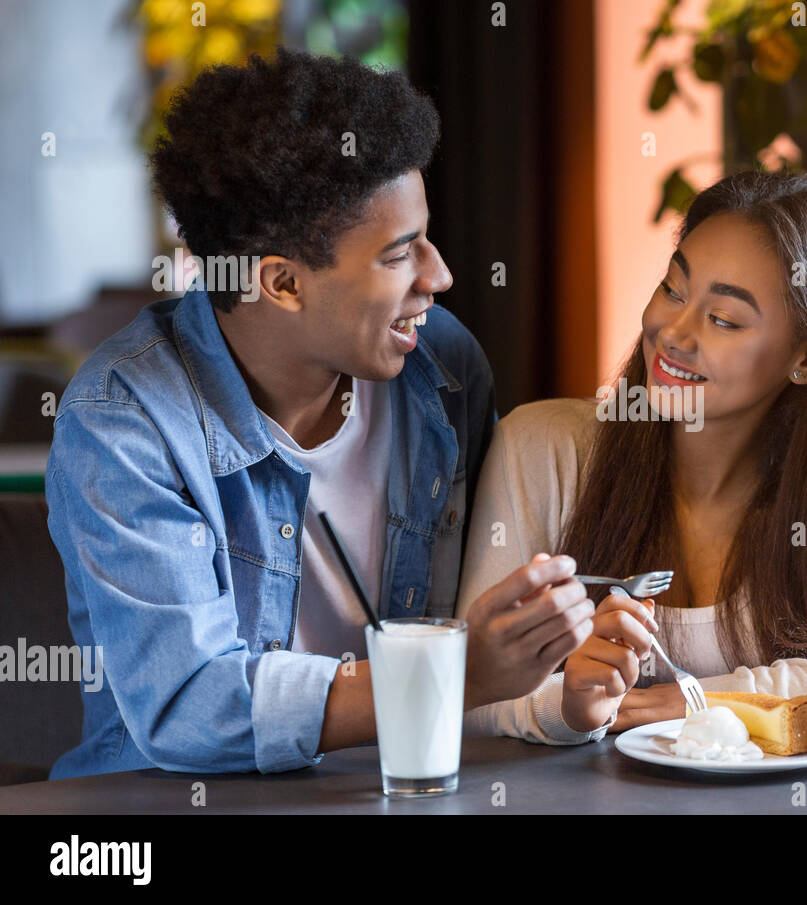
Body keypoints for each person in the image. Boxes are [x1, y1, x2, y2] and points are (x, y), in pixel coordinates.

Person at [45, 48, 596, 779]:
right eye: (400, 255)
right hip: (161, 808)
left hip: (398, 789)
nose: (440, 275)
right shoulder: (122, 422)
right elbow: (189, 703)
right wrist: (455, 671)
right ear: (282, 282)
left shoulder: (443, 369)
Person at [455, 170, 807, 742]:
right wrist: (573, 708)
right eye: (673, 290)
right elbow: (468, 691)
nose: (675, 333)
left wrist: (712, 700)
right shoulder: (543, 447)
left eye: (724, 319)